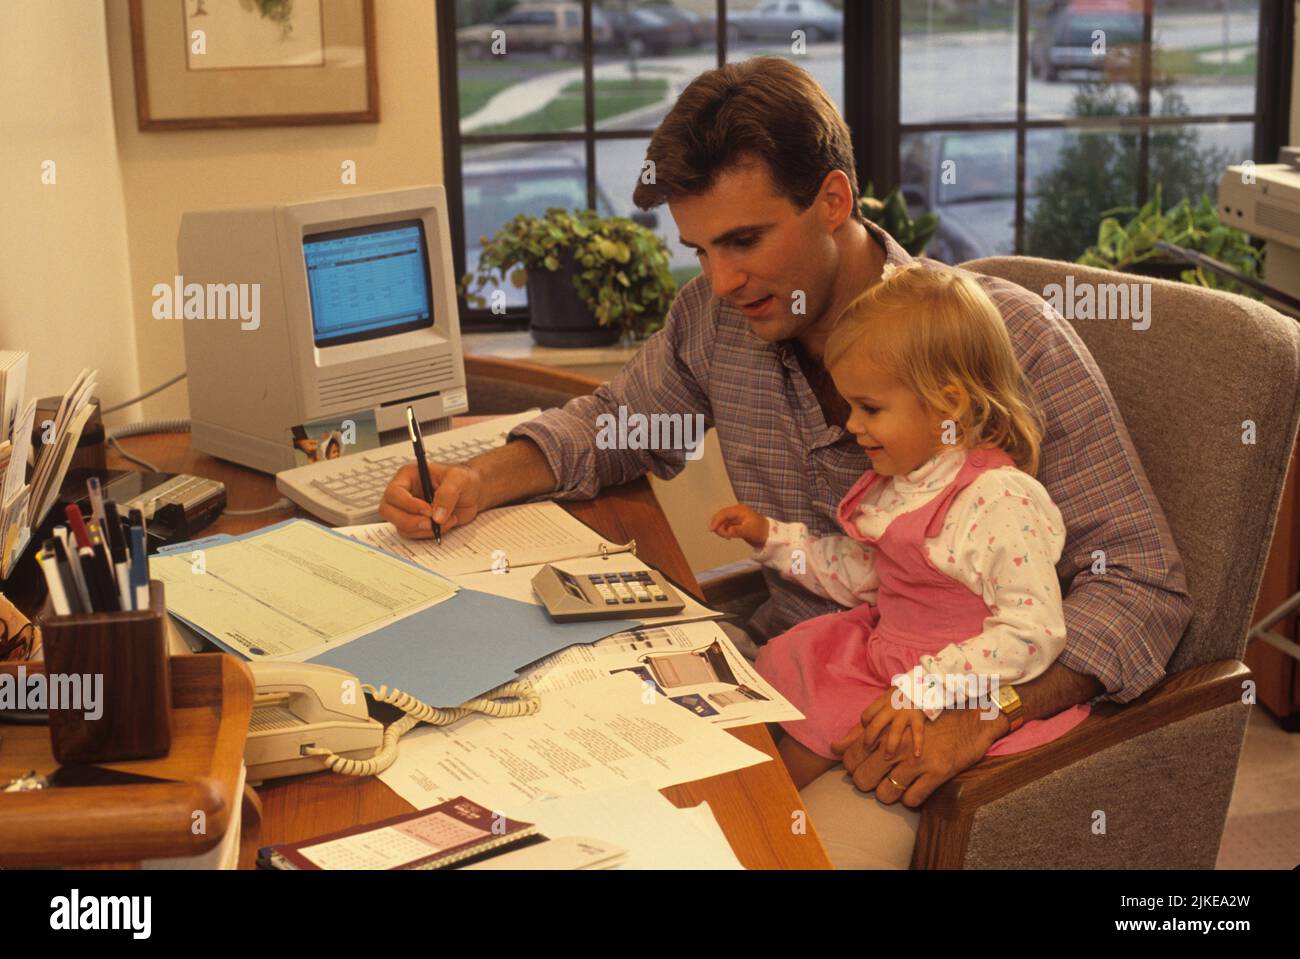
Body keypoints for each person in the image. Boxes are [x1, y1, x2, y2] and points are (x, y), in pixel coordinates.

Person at [380, 57, 1192, 868]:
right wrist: (474, 480)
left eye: (744, 240)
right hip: (788, 669)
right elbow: (611, 426)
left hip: (923, 726)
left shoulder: (1015, 345)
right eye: (699, 249)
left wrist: (988, 705)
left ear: (832, 201)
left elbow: (1142, 585)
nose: (722, 279)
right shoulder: (717, 320)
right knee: (539, 793)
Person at [710, 264, 1089, 791]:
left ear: (948, 405)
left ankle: (760, 828)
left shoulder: (998, 502)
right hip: (883, 664)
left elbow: (1033, 632)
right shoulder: (905, 484)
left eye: (869, 408)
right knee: (759, 731)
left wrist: (927, 688)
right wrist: (773, 540)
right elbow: (864, 575)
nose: (851, 425)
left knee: (790, 761)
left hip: (951, 689)